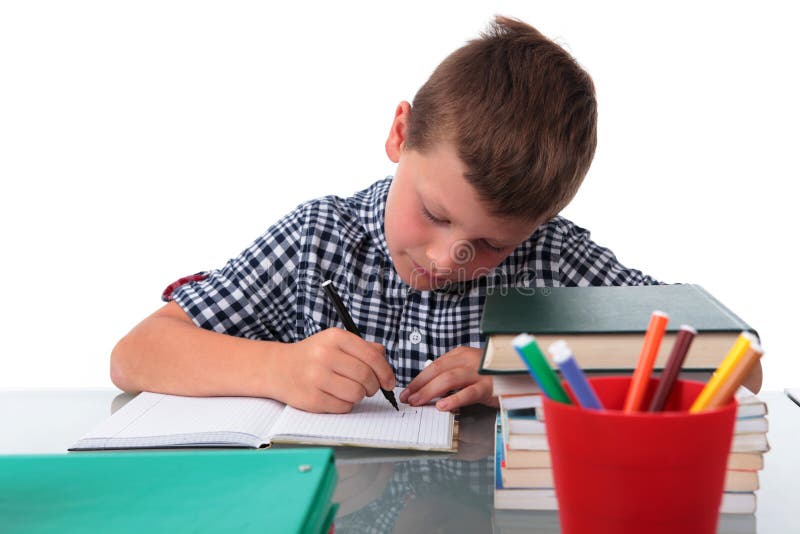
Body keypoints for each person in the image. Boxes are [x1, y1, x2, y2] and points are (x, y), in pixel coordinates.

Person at [110, 16, 660, 414]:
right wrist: (280, 369)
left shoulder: (550, 257)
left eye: (493, 244)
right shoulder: (317, 239)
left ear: (538, 224)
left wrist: (533, 373)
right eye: (435, 213)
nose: (450, 258)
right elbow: (135, 354)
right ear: (401, 133)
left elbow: (737, 358)